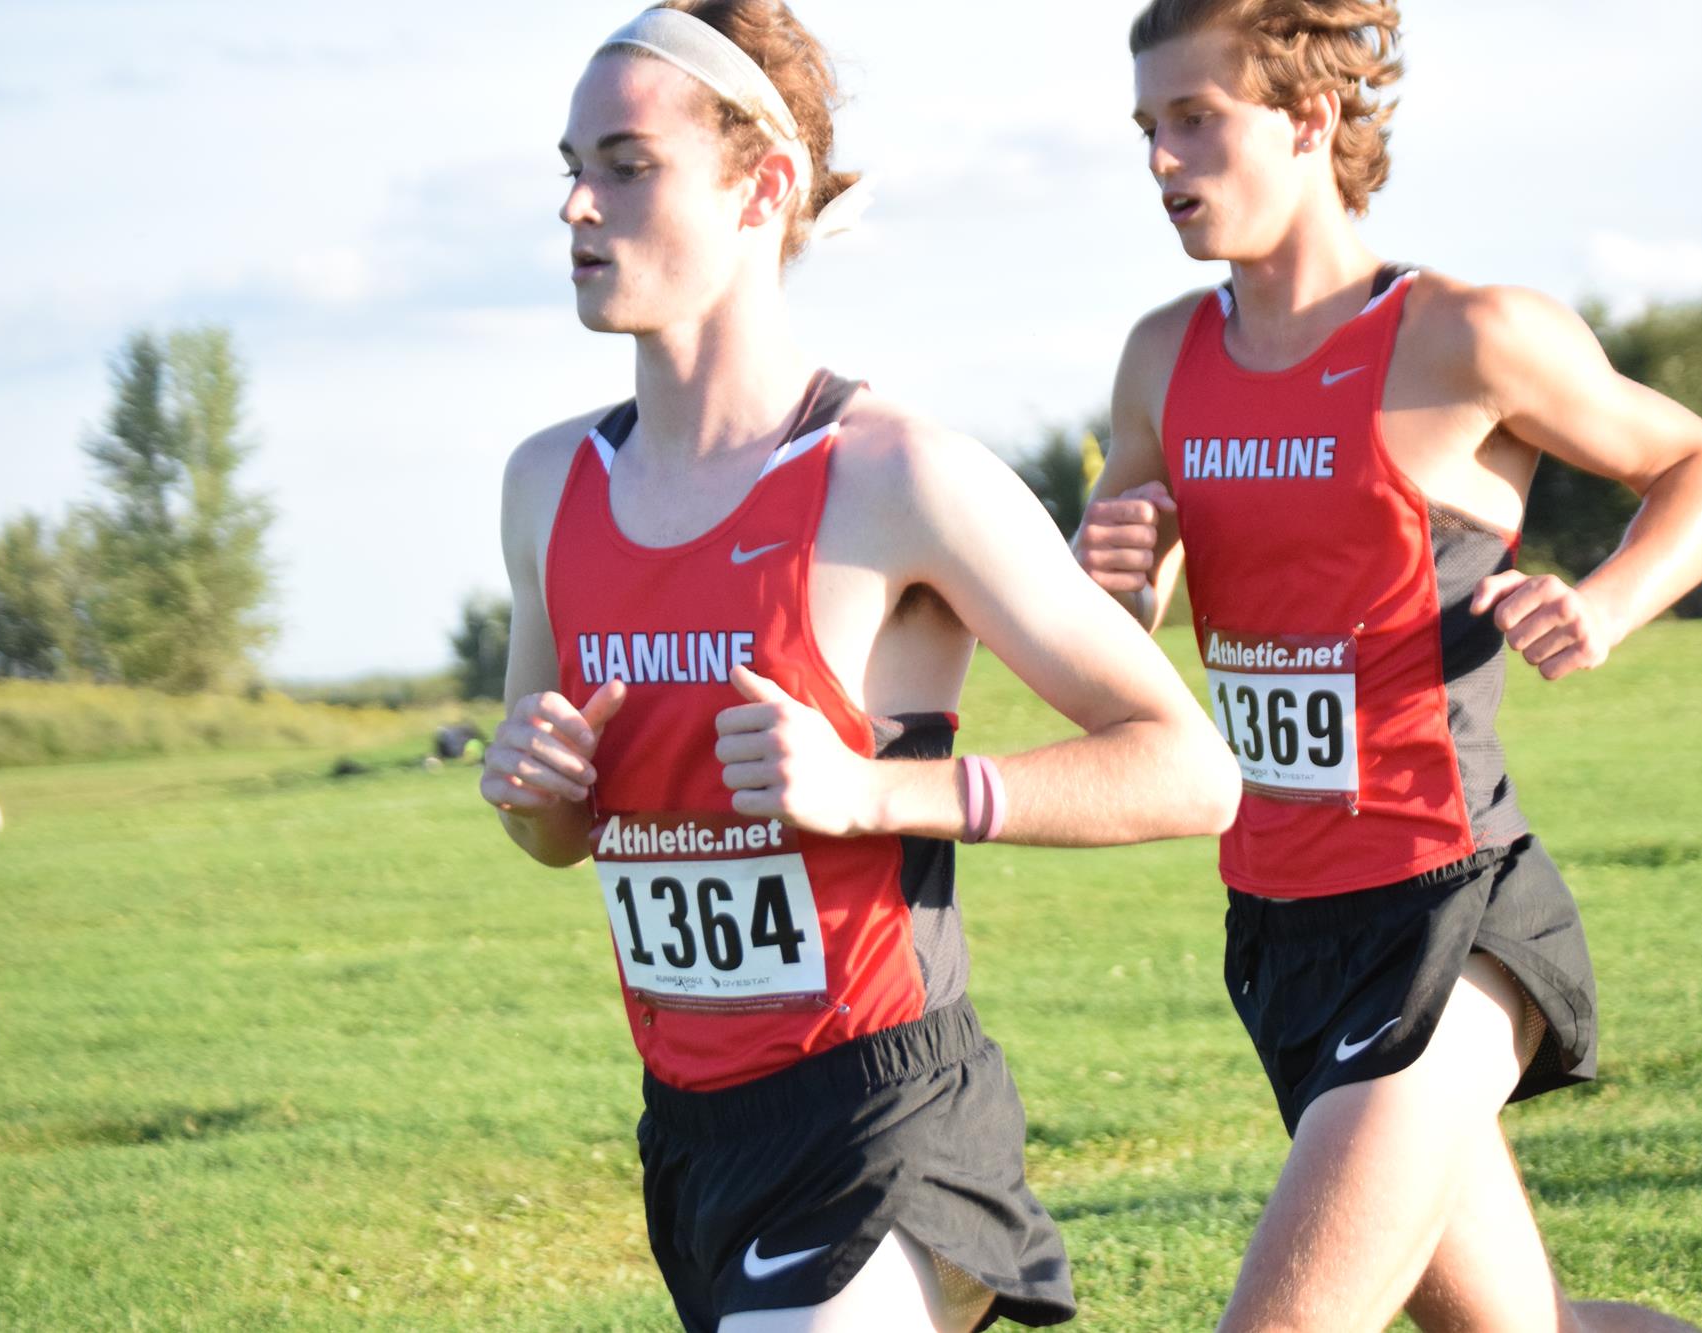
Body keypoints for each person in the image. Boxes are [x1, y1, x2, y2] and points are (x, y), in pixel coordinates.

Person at [478, 4, 1241, 1331]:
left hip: (882, 1115)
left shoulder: (895, 473)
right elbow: (558, 832)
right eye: (570, 166)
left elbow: (1191, 768)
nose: (575, 208)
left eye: (624, 164)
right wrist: (536, 793)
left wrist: (879, 793)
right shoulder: (550, 484)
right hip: (692, 1136)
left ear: (762, 187)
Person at [1073, 2, 1702, 1329]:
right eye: (1149, 129)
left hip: (1449, 905)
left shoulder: (1465, 332)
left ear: (1310, 120)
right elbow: (1117, 620)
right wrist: (1119, 565)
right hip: (1279, 925)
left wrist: (1606, 603)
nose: (1161, 161)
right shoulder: (1164, 357)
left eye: (1195, 120)